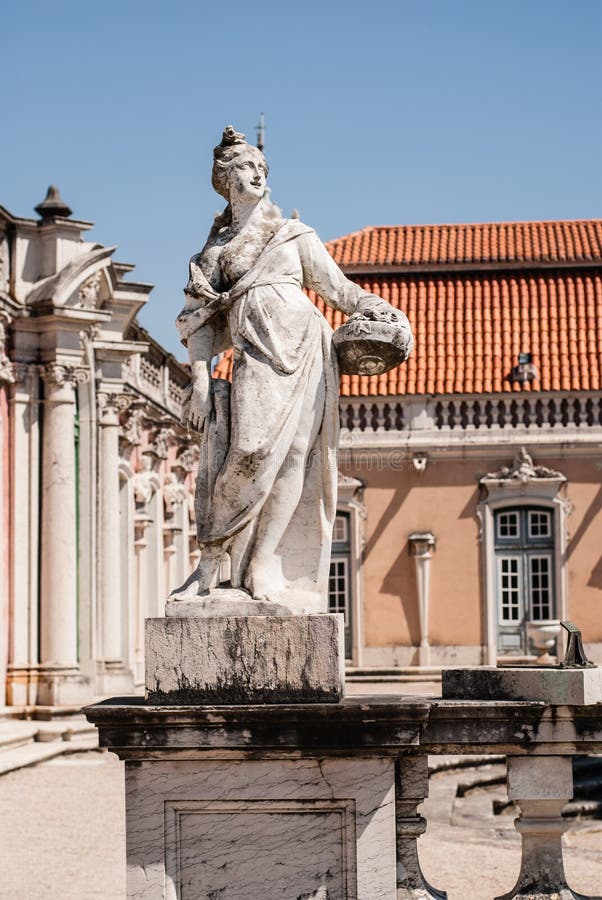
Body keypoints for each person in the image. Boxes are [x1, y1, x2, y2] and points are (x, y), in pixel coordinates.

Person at [170, 126, 413, 613]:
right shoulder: (215, 252)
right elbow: (198, 321)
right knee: (247, 450)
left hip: (308, 346)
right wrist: (199, 384)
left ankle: (262, 564)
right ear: (225, 179)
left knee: (295, 456)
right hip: (255, 353)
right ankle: (213, 559)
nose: (257, 173)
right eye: (246, 167)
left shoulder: (294, 235)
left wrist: (384, 312)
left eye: (262, 168)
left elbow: (340, 291)